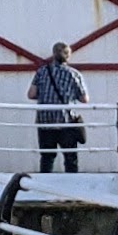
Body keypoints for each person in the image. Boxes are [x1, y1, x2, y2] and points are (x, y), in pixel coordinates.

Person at [30, 43, 87, 173]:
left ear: (53, 54)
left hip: (45, 121)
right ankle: (72, 186)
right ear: (68, 56)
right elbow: (84, 99)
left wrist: (45, 95)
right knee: (70, 158)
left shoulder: (41, 72)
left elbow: (31, 94)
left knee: (47, 157)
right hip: (65, 122)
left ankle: (43, 184)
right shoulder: (74, 74)